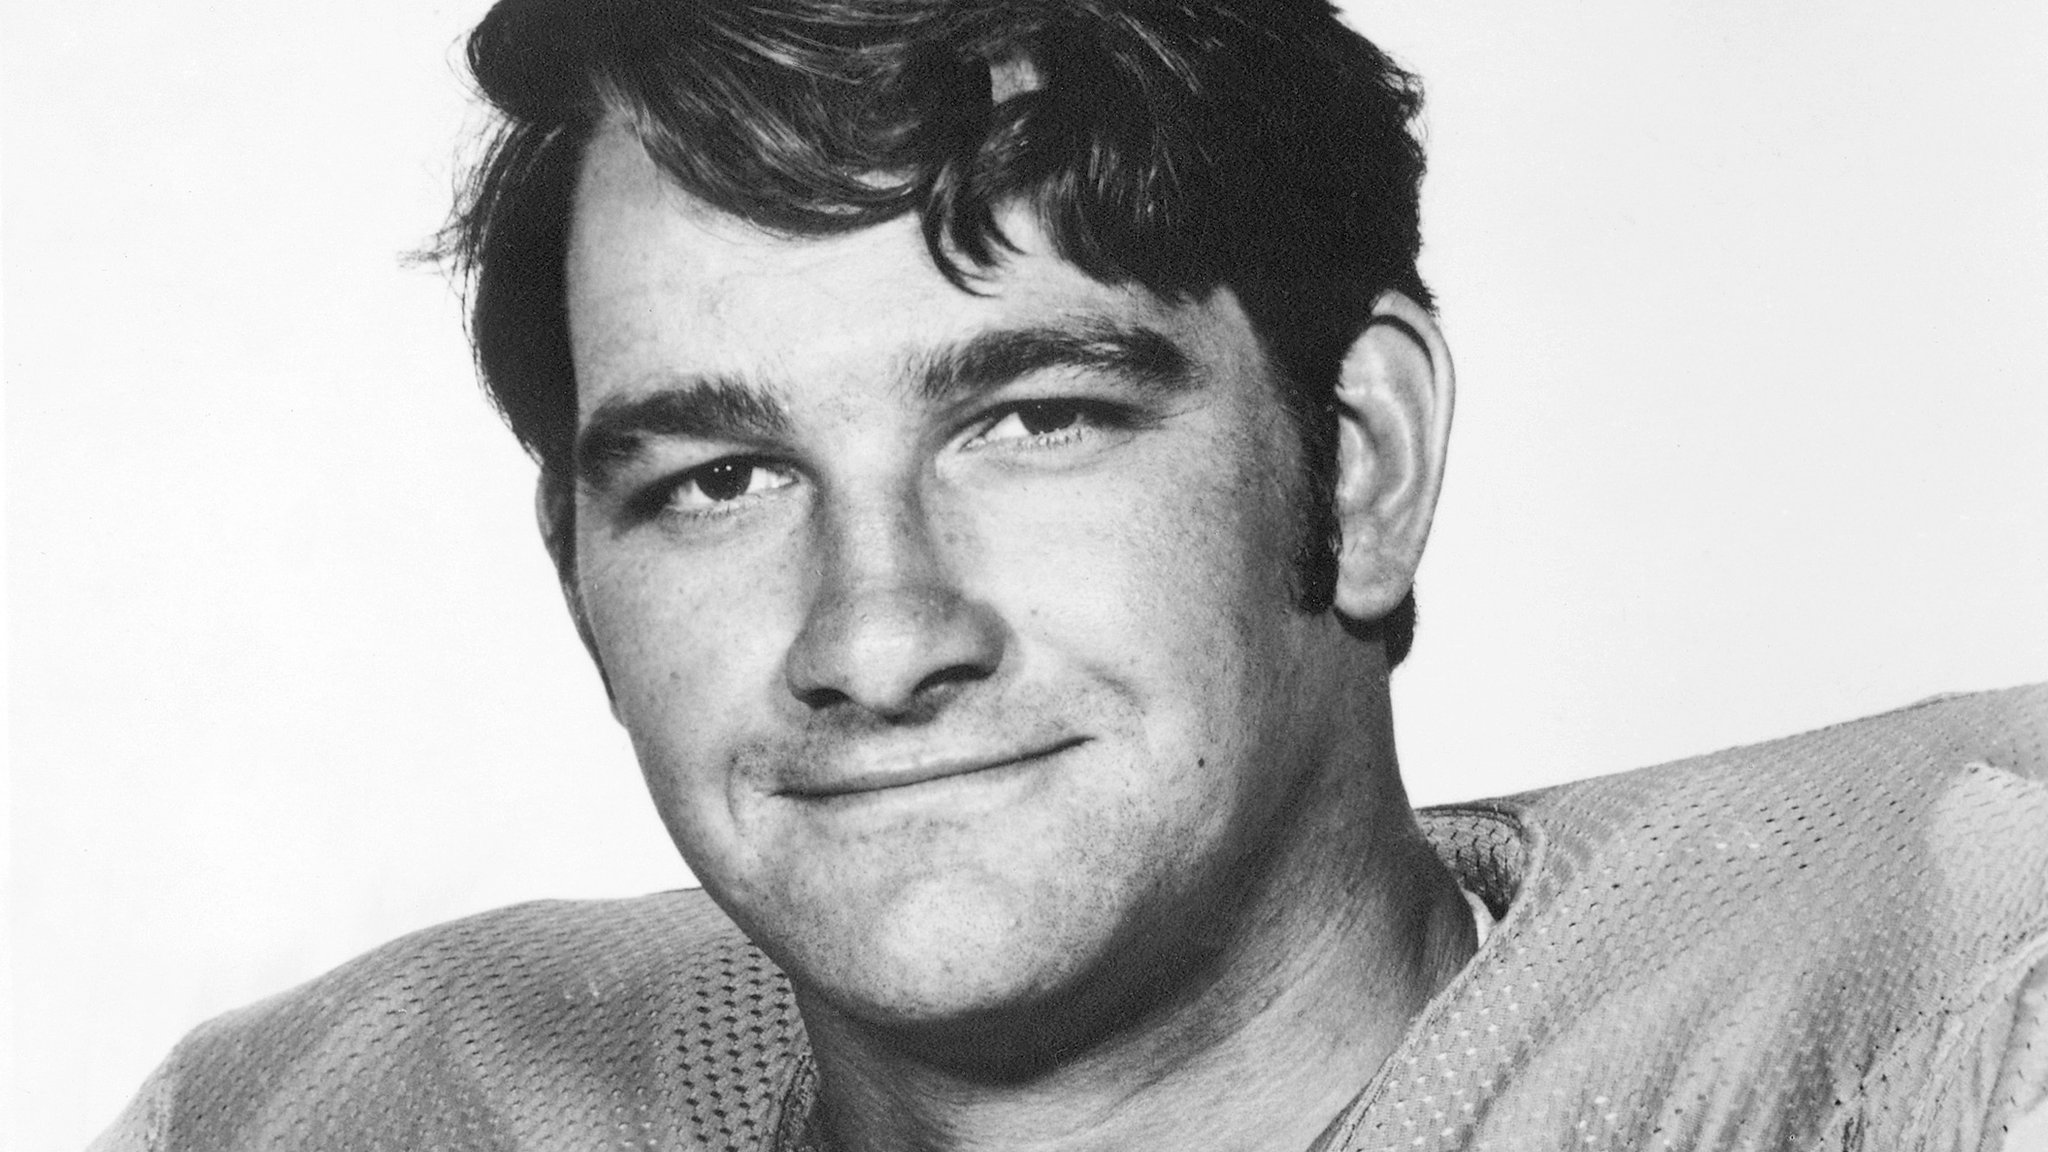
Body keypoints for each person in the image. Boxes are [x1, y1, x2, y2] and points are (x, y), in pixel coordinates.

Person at [93, 1, 2047, 1149]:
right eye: (719, 478)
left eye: (1031, 420)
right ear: (577, 579)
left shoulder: (1967, 1008)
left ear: (1359, 461)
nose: (876, 635)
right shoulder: (329, 1110)